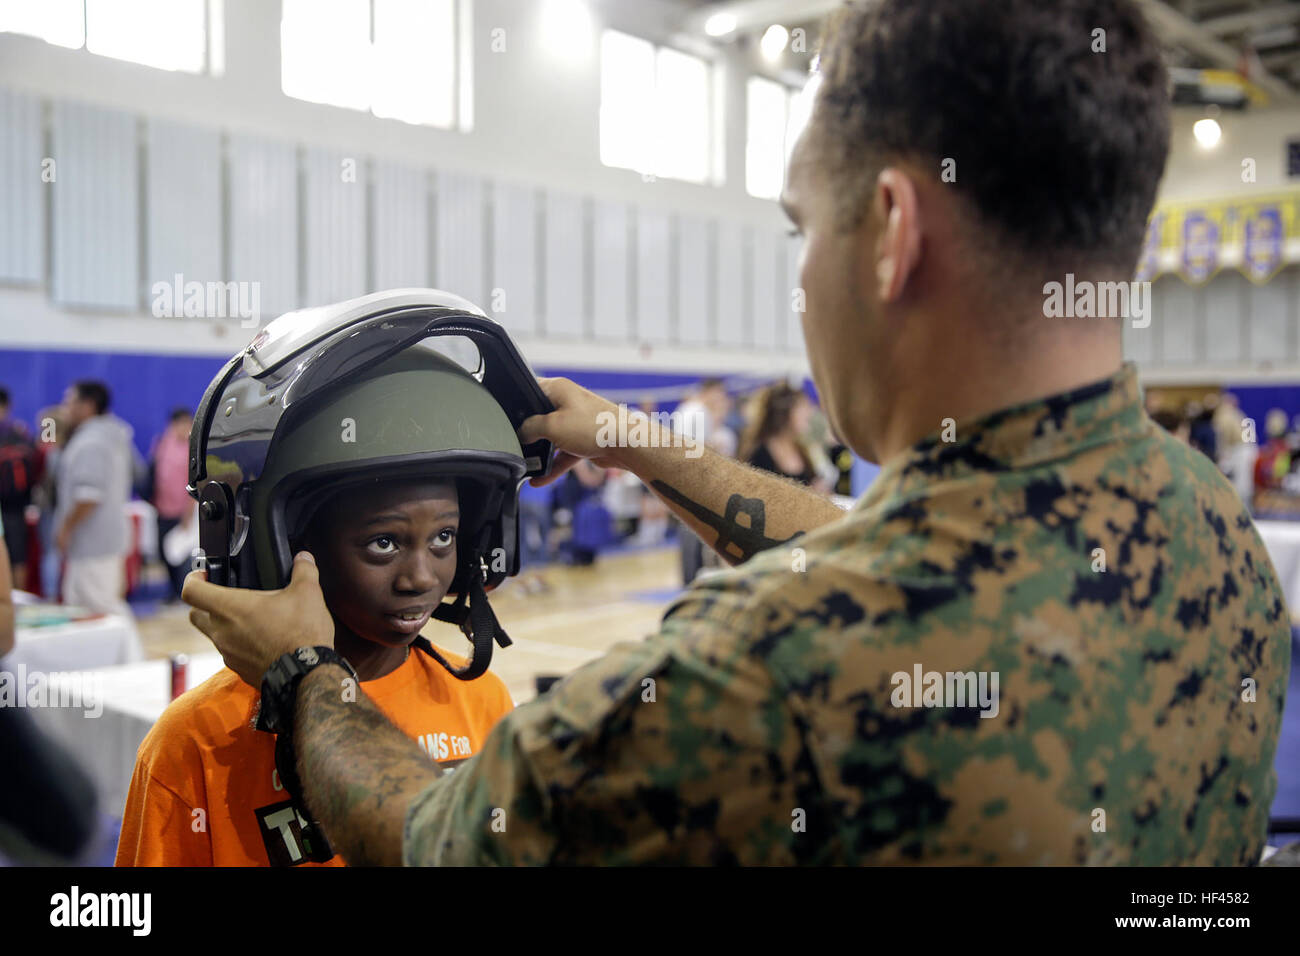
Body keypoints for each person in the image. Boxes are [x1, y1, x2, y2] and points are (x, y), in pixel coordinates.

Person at [184, 0, 1290, 865]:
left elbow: (436, 845)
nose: (799, 275)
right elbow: (893, 555)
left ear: (891, 233)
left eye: (801, 227)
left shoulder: (760, 673)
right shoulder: (1205, 520)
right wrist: (642, 441)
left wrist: (306, 675)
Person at [116, 349, 517, 866]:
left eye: (444, 536)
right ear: (287, 549)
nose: (421, 577)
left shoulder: (483, 701)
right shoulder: (193, 742)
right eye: (383, 543)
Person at [53, 381, 135, 624]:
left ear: (87, 406)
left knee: (101, 610)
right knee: (89, 610)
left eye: (69, 401)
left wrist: (65, 529)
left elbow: (89, 496)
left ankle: (126, 658)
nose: (64, 407)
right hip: (100, 541)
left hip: (94, 543)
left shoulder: (92, 442)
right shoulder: (109, 436)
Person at [147, 407, 195, 601]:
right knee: (164, 551)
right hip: (162, 508)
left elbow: (196, 481)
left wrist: (189, 512)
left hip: (184, 510)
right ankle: (172, 591)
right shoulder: (162, 443)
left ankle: (185, 590)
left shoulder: (193, 446)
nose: (182, 428)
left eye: (186, 423)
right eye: (178, 424)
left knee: (183, 554)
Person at [740, 382, 825, 489]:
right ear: (785, 414)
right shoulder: (759, 454)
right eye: (803, 407)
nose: (809, 413)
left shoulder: (802, 450)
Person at [0, 387, 38, 590]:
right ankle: (18, 600)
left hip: (11, 506)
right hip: (16, 506)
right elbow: (41, 456)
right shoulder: (20, 432)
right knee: (17, 556)